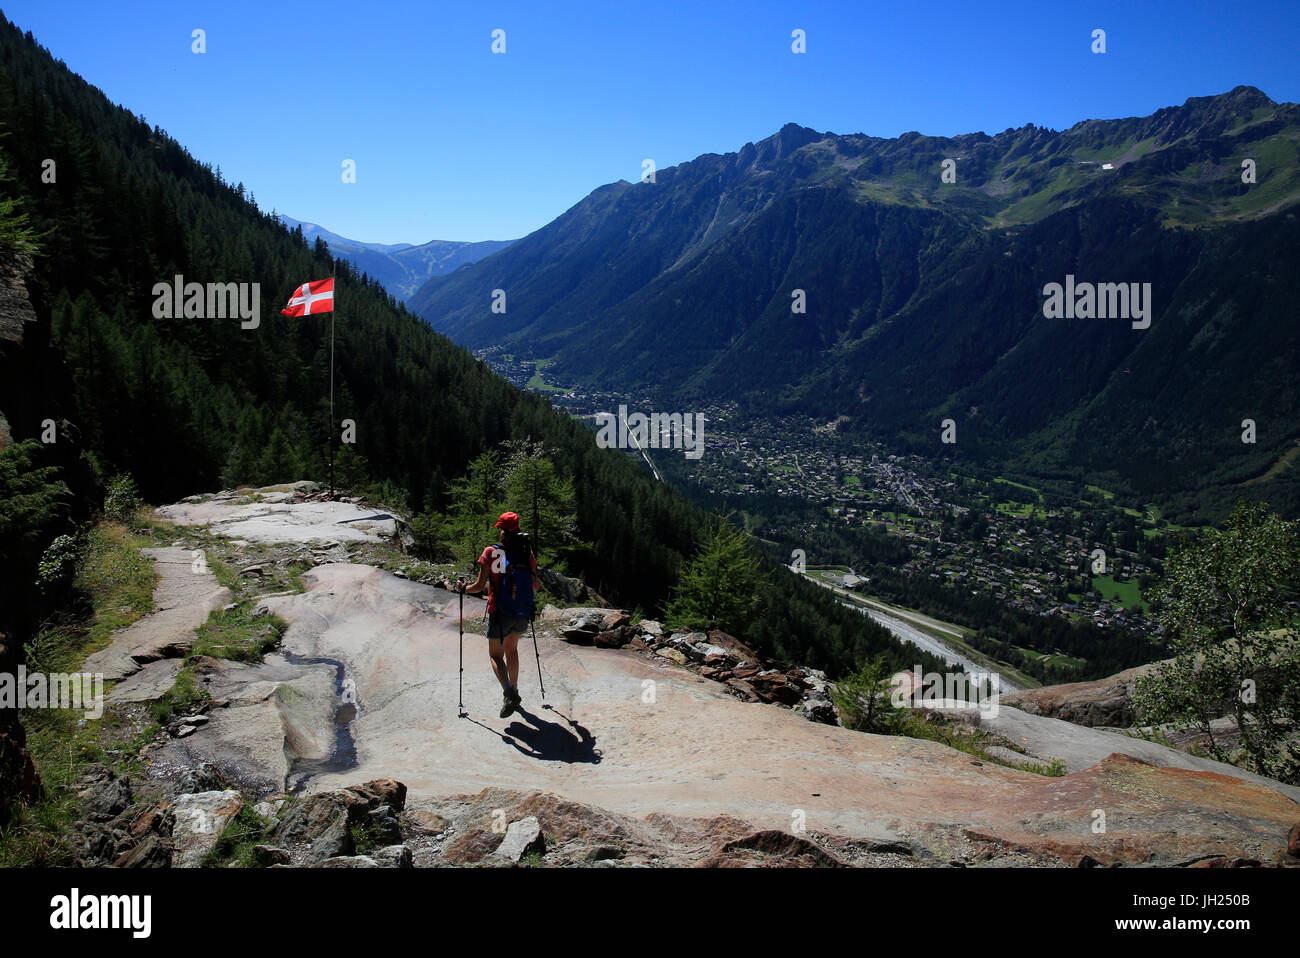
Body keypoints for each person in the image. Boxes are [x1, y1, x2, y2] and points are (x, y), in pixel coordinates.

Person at [459, 511, 541, 718]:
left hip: (499, 611)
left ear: (501, 530)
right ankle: (515, 689)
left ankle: (508, 692)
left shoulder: (493, 552)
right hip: (522, 611)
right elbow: (536, 585)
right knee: (512, 650)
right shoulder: (526, 552)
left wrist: (463, 588)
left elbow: (478, 587)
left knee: (496, 654)